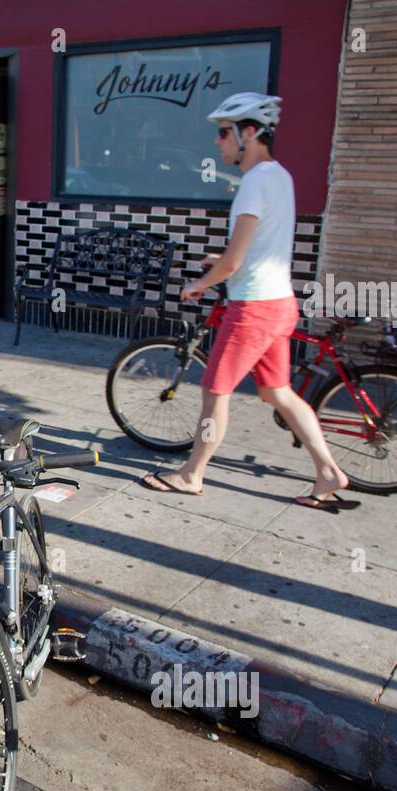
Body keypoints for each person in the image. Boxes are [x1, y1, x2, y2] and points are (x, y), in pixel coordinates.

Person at [139, 92, 358, 513]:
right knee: (278, 392)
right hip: (279, 303)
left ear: (250, 132)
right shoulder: (281, 177)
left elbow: (237, 259)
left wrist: (202, 282)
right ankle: (328, 471)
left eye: (224, 133)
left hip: (253, 309)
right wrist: (222, 262)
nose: (217, 143)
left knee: (214, 391)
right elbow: (260, 247)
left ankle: (190, 474)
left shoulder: (253, 182)